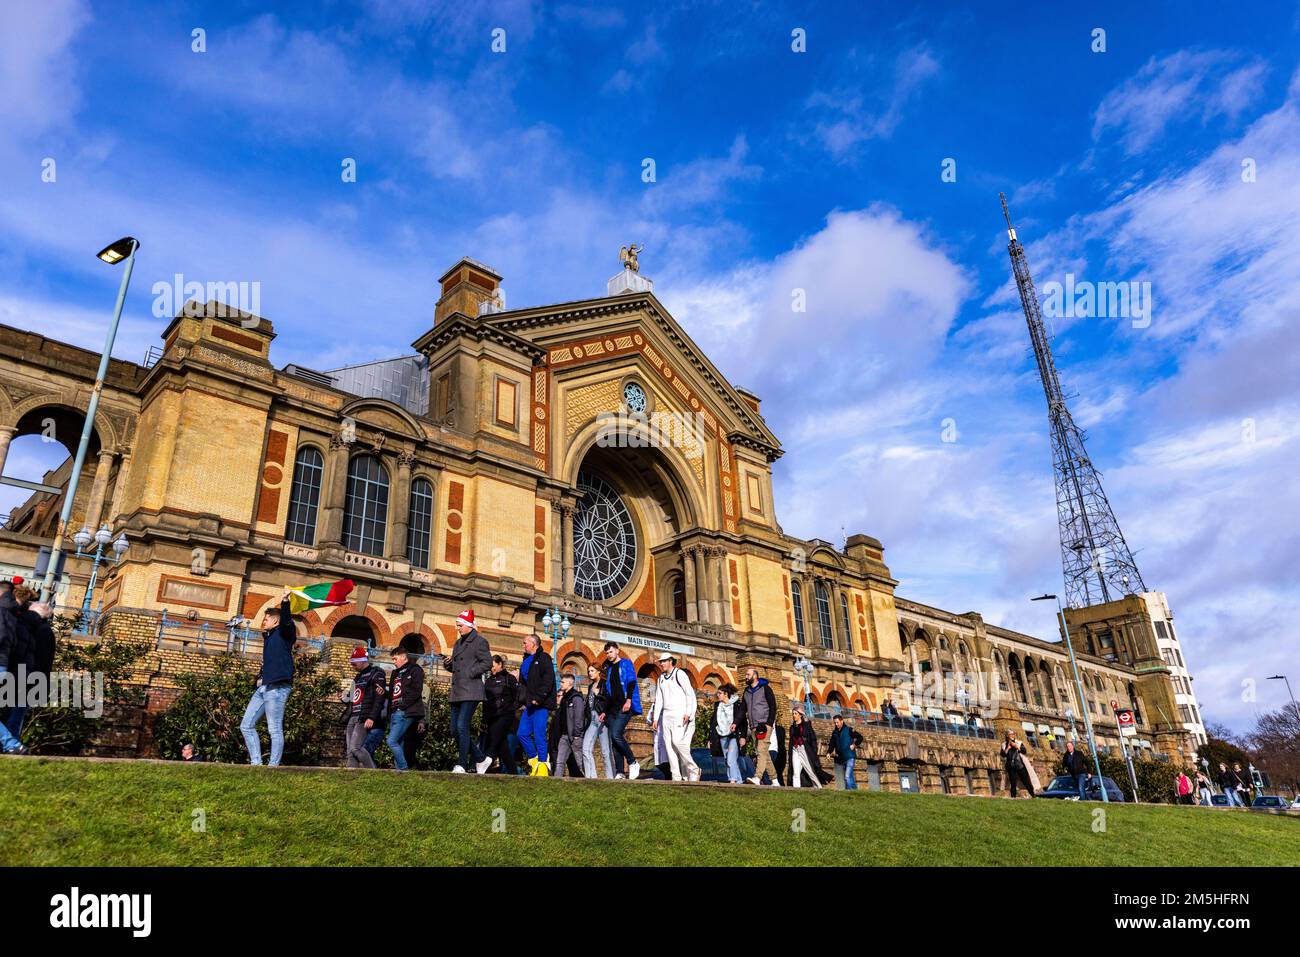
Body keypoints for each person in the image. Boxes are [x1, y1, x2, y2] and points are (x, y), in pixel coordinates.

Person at [239, 592, 296, 767]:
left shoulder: (285, 632)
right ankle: (256, 763)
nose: (263, 622)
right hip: (264, 687)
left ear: (275, 621)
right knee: (246, 725)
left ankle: (273, 766)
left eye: (266, 619)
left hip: (278, 688)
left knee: (274, 729)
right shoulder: (270, 637)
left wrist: (285, 601)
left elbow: (287, 621)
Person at [443, 609, 492, 774]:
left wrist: (471, 672)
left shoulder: (479, 641)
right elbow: (457, 668)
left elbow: (487, 663)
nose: (458, 628)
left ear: (469, 625)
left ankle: (462, 764)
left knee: (462, 726)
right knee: (454, 730)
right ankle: (481, 758)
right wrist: (449, 664)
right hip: (457, 690)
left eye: (460, 625)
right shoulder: (458, 643)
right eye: (457, 625)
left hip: (471, 690)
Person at [650, 652, 699, 781]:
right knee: (669, 747)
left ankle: (693, 769)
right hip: (666, 716)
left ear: (670, 661)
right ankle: (676, 776)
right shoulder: (660, 678)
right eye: (660, 662)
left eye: (664, 661)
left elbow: (690, 694)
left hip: (679, 713)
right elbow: (659, 699)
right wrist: (655, 718)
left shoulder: (679, 674)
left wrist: (689, 713)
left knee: (677, 742)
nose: (661, 664)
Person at [0, 584, 39, 748]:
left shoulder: (6, 613)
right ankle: (11, 744)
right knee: (12, 711)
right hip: (14, 671)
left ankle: (11, 744)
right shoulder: (20, 619)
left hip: (9, 668)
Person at [514, 633, 555, 775]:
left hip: (541, 704)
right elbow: (525, 684)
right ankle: (535, 760)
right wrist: (522, 701)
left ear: (534, 643)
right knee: (522, 734)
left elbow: (548, 680)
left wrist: (540, 697)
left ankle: (543, 767)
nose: (523, 645)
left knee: (539, 735)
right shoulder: (526, 660)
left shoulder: (544, 658)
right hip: (530, 704)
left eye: (525, 642)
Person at [601, 641, 642, 780]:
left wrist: (629, 700)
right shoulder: (610, 669)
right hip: (612, 709)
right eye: (607, 653)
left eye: (611, 652)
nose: (609, 655)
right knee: (614, 740)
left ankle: (632, 761)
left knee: (616, 734)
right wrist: (604, 711)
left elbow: (631, 681)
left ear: (617, 651)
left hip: (624, 706)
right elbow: (608, 693)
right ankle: (620, 772)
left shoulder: (626, 663)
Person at [343, 646, 386, 769]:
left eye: (354, 663)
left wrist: (371, 717)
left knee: (356, 748)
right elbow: (355, 697)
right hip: (353, 715)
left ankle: (373, 773)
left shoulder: (377, 674)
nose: (353, 666)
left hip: (364, 716)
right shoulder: (358, 677)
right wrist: (345, 698)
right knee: (350, 752)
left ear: (362, 660)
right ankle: (351, 779)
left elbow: (380, 698)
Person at [386, 640, 425, 771]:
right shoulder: (395, 673)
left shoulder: (415, 670)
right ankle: (400, 773)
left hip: (405, 712)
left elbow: (416, 691)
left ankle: (403, 769)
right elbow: (392, 693)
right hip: (394, 712)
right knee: (399, 741)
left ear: (404, 657)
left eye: (395, 658)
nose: (393, 662)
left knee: (391, 741)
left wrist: (402, 706)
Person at [741, 666, 779, 786]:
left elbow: (773, 706)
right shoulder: (746, 692)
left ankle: (757, 777)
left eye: (748, 674)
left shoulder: (765, 689)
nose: (745, 677)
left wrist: (769, 723)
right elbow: (742, 710)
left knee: (761, 752)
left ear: (755, 676)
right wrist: (735, 723)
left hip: (764, 726)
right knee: (763, 753)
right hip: (753, 727)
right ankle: (775, 780)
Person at [482, 655, 519, 775]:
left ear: (499, 664)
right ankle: (513, 772)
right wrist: (484, 720)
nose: (490, 669)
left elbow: (517, 697)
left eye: (492, 666)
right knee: (503, 747)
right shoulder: (488, 681)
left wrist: (510, 709)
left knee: (493, 741)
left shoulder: (509, 679)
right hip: (492, 717)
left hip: (505, 716)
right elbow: (486, 702)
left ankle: (483, 766)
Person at [708, 683, 746, 784]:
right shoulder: (718, 706)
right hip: (722, 735)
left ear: (726, 694)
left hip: (733, 735)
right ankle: (739, 781)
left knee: (730, 759)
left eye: (720, 693)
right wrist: (710, 739)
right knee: (728, 759)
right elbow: (713, 722)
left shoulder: (736, 704)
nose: (718, 695)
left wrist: (743, 737)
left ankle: (732, 780)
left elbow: (743, 721)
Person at [581, 662, 613, 779]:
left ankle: (611, 778)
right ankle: (591, 777)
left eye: (592, 671)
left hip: (601, 718)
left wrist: (598, 694)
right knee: (586, 748)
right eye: (589, 671)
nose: (590, 673)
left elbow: (609, 700)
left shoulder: (604, 684)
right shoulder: (590, 686)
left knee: (605, 751)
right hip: (592, 719)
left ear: (599, 671)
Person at [554, 672, 587, 778]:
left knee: (580, 762)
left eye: (563, 682)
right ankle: (556, 783)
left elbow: (579, 717)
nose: (561, 684)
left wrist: (577, 734)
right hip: (564, 736)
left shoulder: (576, 697)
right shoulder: (564, 698)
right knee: (560, 762)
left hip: (574, 736)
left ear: (569, 683)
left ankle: (590, 780)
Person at [787, 707, 830, 788]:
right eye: (793, 714)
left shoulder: (806, 725)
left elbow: (812, 738)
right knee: (795, 772)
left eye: (795, 714)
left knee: (810, 770)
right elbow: (791, 741)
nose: (794, 715)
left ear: (800, 715)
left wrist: (814, 750)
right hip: (795, 750)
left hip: (804, 749)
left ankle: (818, 787)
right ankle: (796, 790)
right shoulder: (792, 727)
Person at [827, 714, 862, 790]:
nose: (836, 724)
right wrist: (829, 752)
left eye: (837, 722)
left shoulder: (849, 730)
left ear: (842, 721)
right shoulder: (835, 733)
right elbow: (832, 744)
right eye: (835, 723)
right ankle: (855, 791)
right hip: (842, 758)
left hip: (850, 757)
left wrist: (854, 744)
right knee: (850, 777)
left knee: (847, 777)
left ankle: (848, 793)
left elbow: (860, 737)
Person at [1001, 730, 1036, 798]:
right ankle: (1013, 797)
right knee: (1013, 782)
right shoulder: (1004, 744)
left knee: (1025, 780)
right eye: (1010, 734)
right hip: (1010, 765)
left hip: (1019, 764)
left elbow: (1024, 751)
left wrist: (1017, 747)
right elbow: (1003, 754)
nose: (1012, 736)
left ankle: (1033, 795)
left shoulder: (1019, 742)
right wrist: (1007, 748)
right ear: (1007, 736)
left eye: (1013, 734)